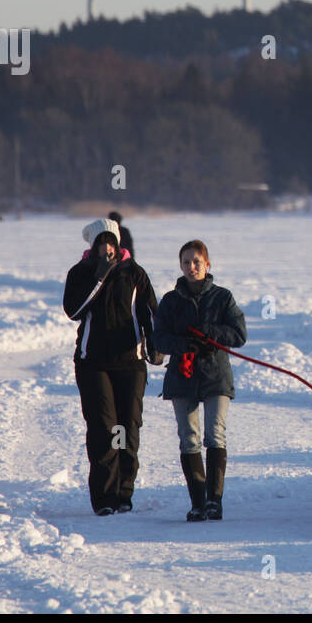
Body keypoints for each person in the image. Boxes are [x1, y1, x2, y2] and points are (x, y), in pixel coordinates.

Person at [63, 218, 160, 516]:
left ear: (118, 244)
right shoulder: (80, 273)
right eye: (100, 243)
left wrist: (155, 345)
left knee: (127, 427)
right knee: (104, 429)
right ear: (92, 246)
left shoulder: (134, 273)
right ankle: (104, 497)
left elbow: (149, 311)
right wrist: (99, 277)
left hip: (130, 363)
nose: (106, 248)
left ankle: (123, 493)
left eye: (110, 242)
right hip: (93, 364)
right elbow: (74, 311)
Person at [152, 240, 246, 521]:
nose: (191, 267)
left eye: (196, 262)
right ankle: (198, 503)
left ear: (207, 264)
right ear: (180, 265)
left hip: (216, 375)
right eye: (185, 262)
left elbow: (239, 335)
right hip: (182, 376)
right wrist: (182, 345)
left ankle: (214, 500)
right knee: (188, 439)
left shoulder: (223, 297)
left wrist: (210, 333)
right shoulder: (170, 301)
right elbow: (159, 338)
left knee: (214, 434)